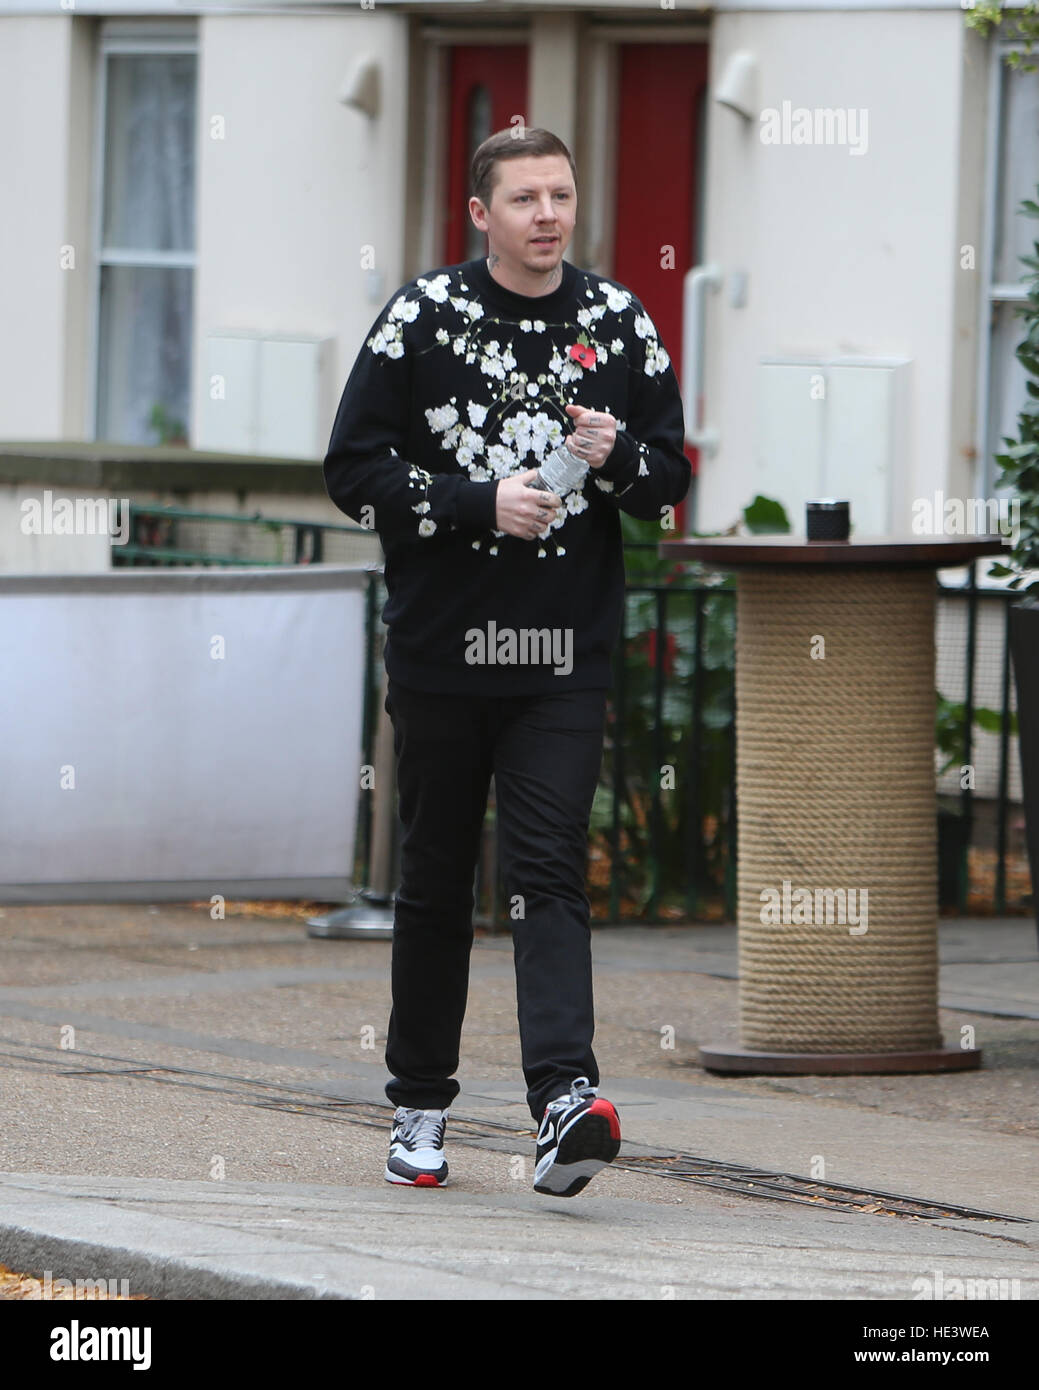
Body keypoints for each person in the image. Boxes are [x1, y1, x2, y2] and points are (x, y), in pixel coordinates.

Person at [323, 125, 690, 1198]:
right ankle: (420, 1105)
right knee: (436, 881)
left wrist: (617, 456)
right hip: (443, 651)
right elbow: (351, 468)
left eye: (561, 194)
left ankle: (563, 1102)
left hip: (560, 656)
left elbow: (670, 479)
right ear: (478, 213)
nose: (547, 214)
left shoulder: (618, 322)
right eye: (524, 197)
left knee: (545, 870)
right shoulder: (421, 317)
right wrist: (475, 500)